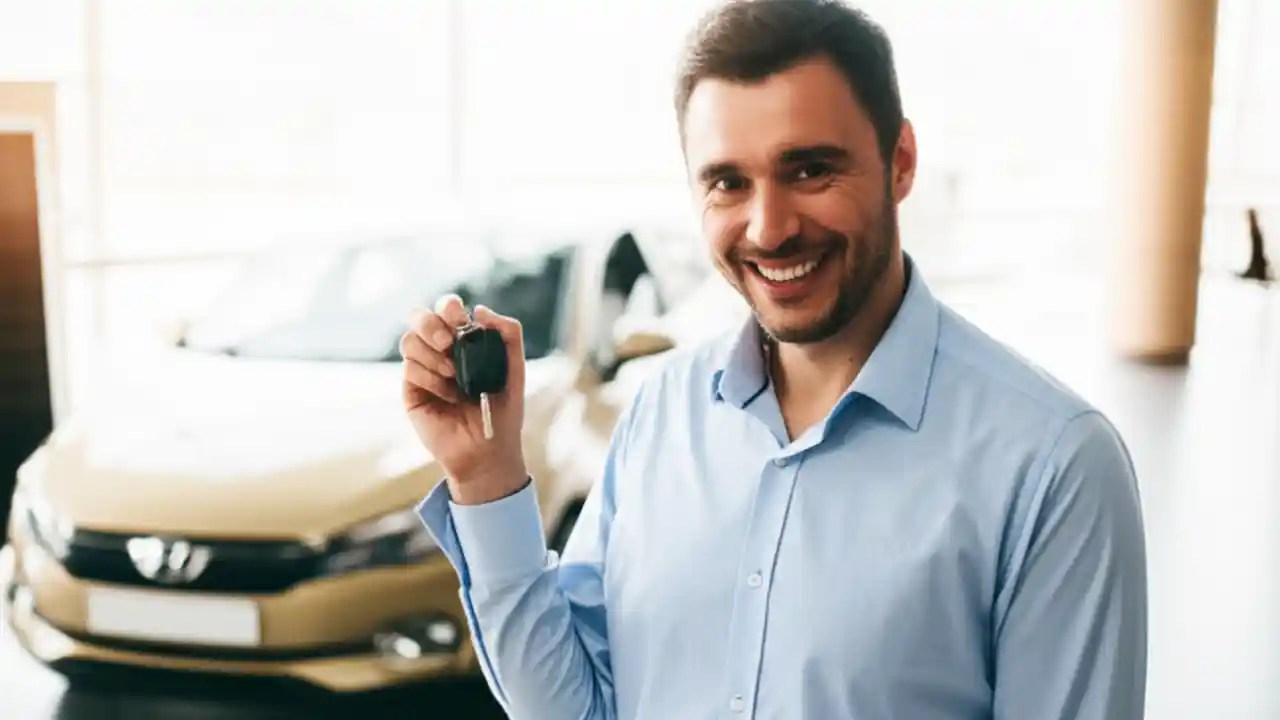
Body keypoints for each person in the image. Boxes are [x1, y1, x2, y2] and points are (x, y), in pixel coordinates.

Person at [399, 1, 1148, 717]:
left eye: (810, 169)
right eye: (728, 182)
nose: (770, 227)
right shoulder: (662, 414)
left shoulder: (1055, 463)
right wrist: (487, 479)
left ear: (901, 162)